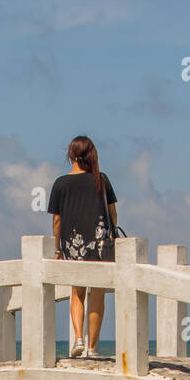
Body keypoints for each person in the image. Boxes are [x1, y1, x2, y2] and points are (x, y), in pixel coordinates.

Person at [47, 136, 118, 357]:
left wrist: (58, 249)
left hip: (73, 244)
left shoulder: (61, 184)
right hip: (99, 244)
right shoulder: (101, 180)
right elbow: (112, 213)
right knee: (97, 294)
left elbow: (57, 221)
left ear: (71, 155)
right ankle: (92, 347)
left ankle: (78, 337)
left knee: (77, 292)